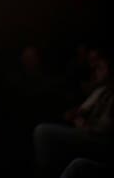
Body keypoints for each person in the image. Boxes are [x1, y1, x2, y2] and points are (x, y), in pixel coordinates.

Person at [34, 46, 114, 177]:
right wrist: (78, 116)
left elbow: (103, 128)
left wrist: (83, 123)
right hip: (88, 130)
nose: (94, 70)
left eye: (100, 67)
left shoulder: (109, 92)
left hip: (100, 140)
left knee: (43, 131)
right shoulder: (101, 90)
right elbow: (79, 111)